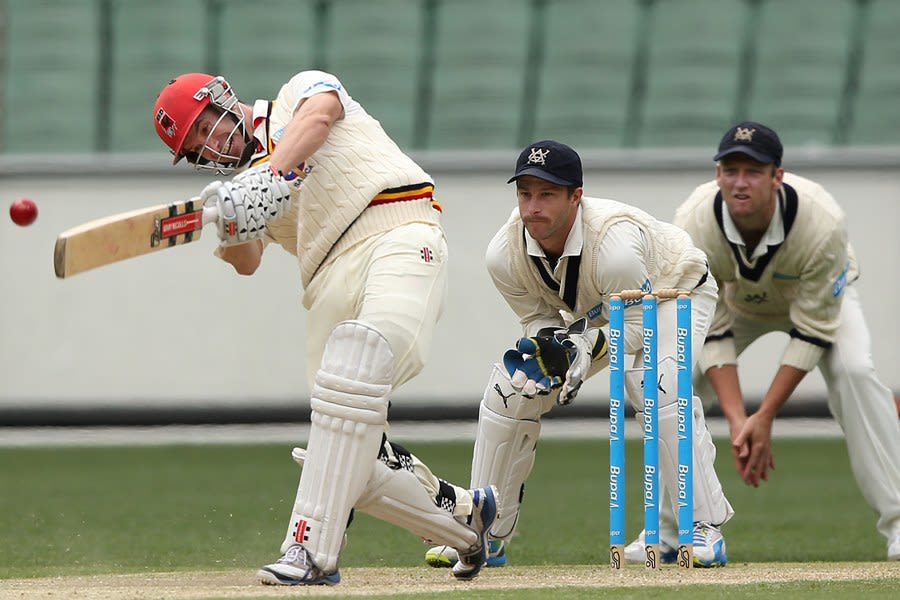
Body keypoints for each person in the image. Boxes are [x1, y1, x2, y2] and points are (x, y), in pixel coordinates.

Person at [151, 70, 499, 585]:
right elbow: (246, 262)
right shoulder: (247, 188)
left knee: (353, 379)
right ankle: (468, 525)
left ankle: (308, 551)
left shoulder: (299, 93)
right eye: (195, 144)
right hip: (326, 280)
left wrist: (265, 179)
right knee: (341, 455)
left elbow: (320, 117)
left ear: (222, 98)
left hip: (395, 230)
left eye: (203, 125)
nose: (209, 144)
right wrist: (231, 222)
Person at [426, 140, 734, 569]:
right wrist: (553, 351)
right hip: (604, 314)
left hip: (674, 293)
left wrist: (585, 347)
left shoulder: (615, 248)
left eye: (547, 194)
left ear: (576, 197)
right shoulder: (504, 255)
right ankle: (482, 531)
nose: (533, 207)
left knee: (655, 385)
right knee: (510, 390)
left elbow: (636, 325)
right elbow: (538, 321)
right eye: (525, 193)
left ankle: (701, 529)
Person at [674, 121, 900, 561]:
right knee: (675, 377)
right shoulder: (693, 223)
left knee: (855, 371)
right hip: (736, 304)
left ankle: (899, 521)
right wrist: (740, 420)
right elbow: (713, 328)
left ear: (777, 176)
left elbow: (813, 329)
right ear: (717, 174)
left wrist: (767, 415)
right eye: (730, 169)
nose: (740, 182)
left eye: (753, 171)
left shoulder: (823, 220)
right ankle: (674, 529)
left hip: (816, 303)